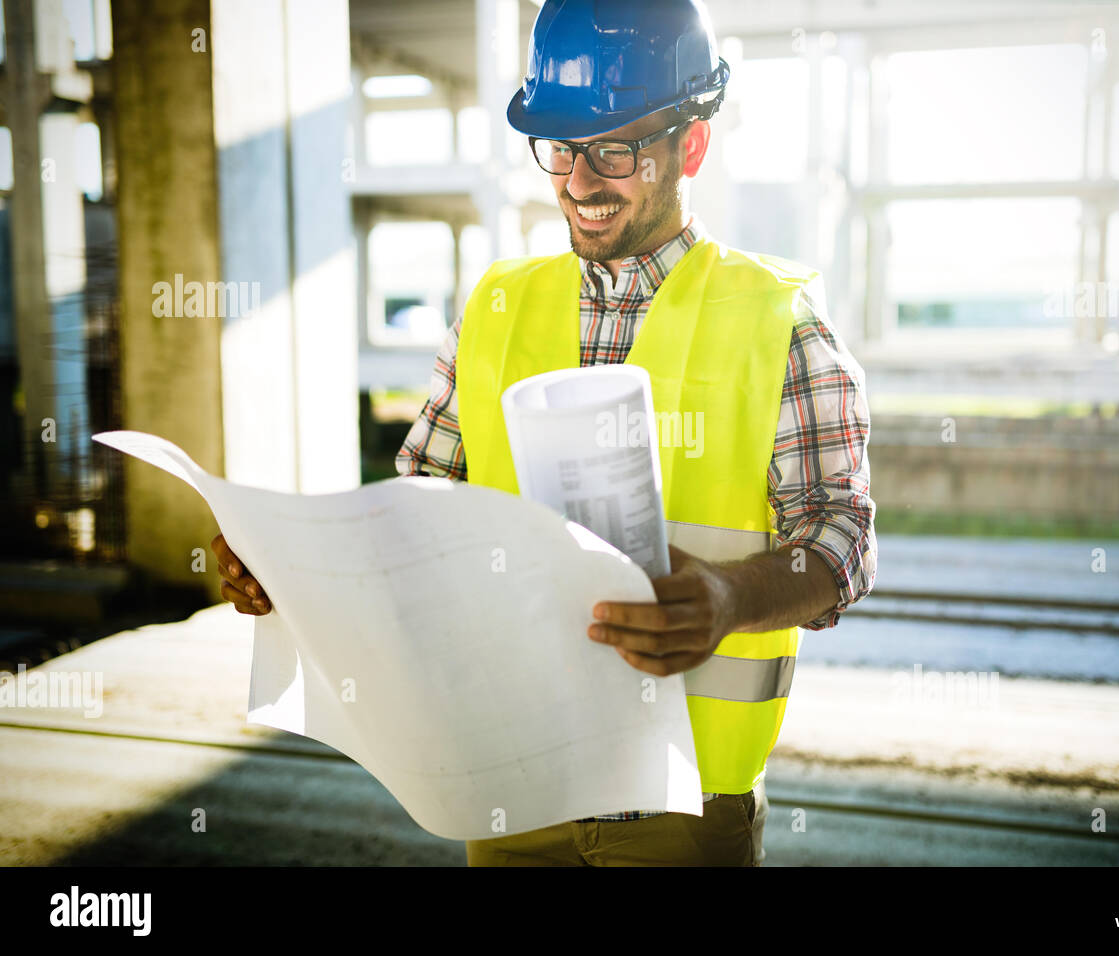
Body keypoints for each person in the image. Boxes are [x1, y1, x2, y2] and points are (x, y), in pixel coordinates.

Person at [213, 0, 877, 867]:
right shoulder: (495, 308)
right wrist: (291, 565)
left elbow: (843, 539)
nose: (577, 181)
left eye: (613, 150)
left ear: (692, 146)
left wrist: (727, 599)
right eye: (559, 149)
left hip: (681, 804)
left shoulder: (778, 320)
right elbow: (414, 512)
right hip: (508, 782)